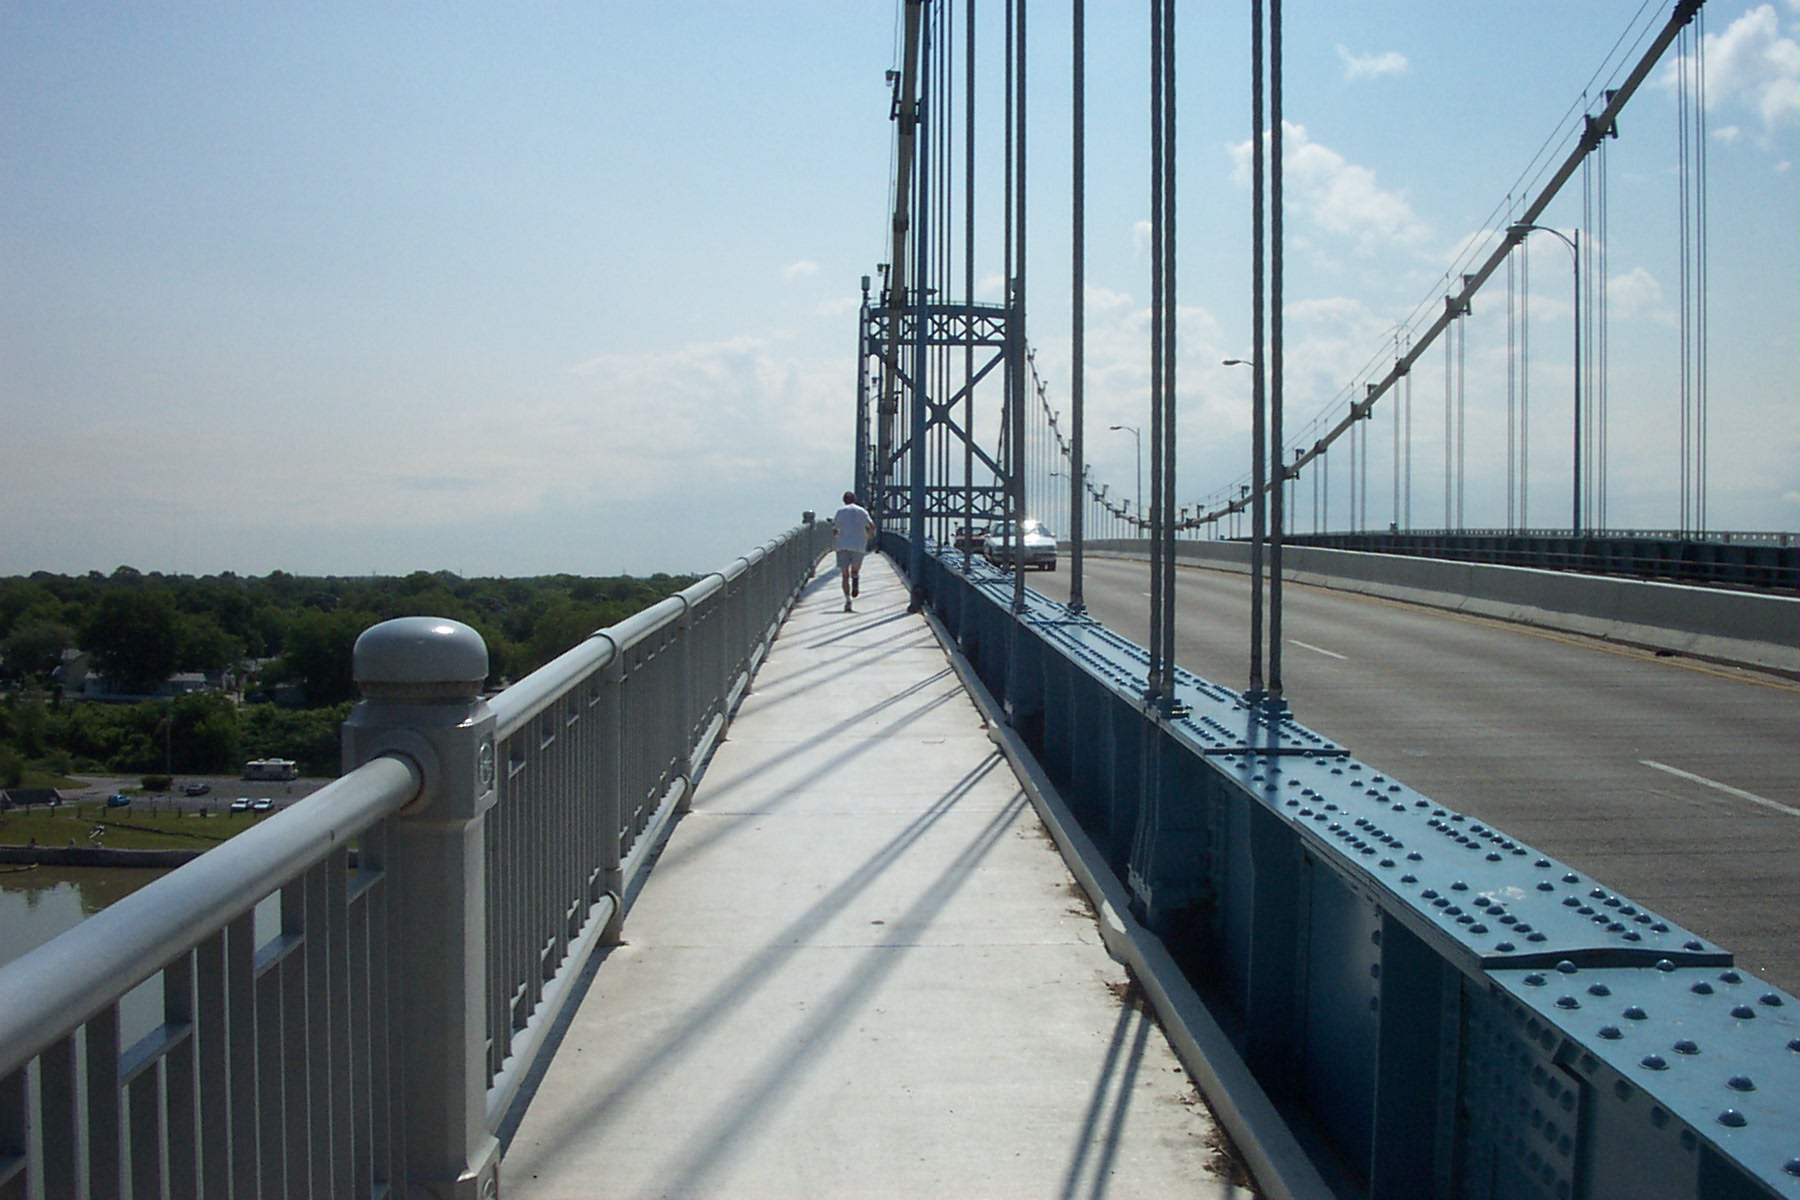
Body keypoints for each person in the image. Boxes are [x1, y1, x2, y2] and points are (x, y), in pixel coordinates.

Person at [832, 491, 874, 612]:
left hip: (843, 545)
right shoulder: (862, 511)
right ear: (854, 500)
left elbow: (835, 530)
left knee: (845, 575)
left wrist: (837, 534)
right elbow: (872, 526)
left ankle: (847, 600)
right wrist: (867, 537)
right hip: (859, 545)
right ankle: (855, 578)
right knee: (854, 570)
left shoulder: (840, 512)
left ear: (844, 500)